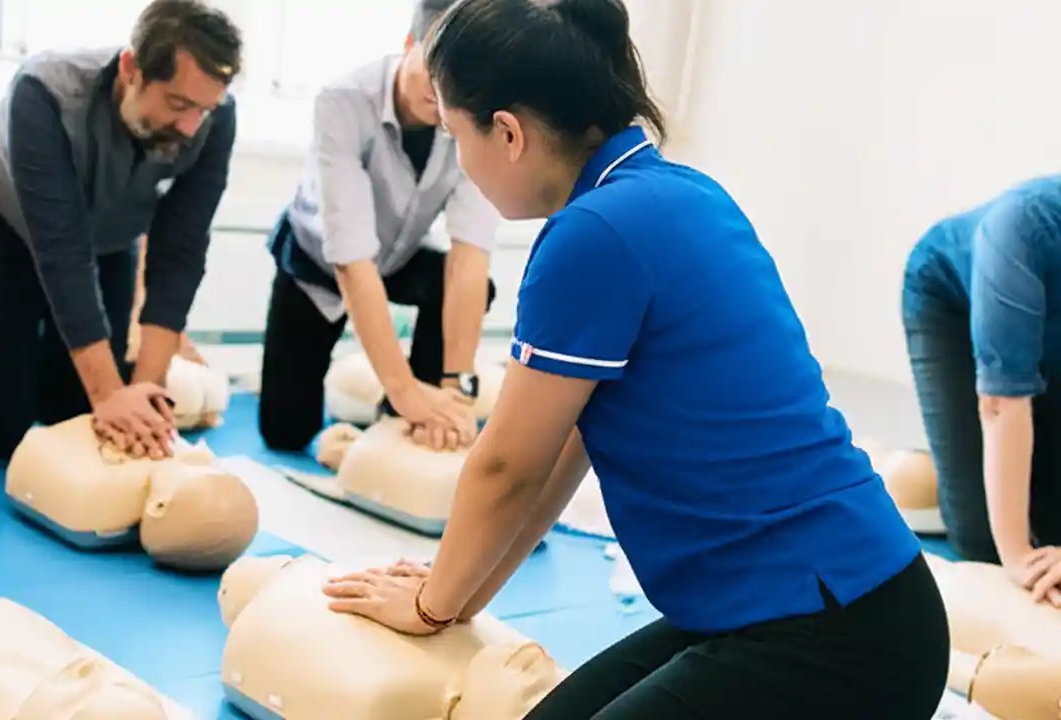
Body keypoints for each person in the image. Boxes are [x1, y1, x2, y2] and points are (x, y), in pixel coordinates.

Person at [321, 1, 950, 718]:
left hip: (836, 630)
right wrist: (455, 600)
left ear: (508, 133)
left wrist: (429, 606)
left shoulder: (592, 234)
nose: (460, 161)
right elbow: (560, 449)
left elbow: (506, 468)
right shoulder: (679, 193)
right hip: (811, 603)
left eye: (457, 135)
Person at [0, 0, 241, 461]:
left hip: (108, 238)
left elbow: (181, 251)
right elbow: (62, 250)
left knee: (75, 410)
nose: (190, 126)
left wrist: (146, 395)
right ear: (131, 69)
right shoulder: (44, 91)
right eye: (178, 104)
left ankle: (15, 360)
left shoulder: (213, 119)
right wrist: (110, 394)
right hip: (1, 224)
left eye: (204, 109)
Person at [260, 0, 500, 453]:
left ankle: (411, 414)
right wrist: (403, 389)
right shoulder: (343, 101)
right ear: (408, 44)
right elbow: (352, 261)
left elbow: (470, 257)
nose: (442, 90)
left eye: (458, 78)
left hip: (400, 255)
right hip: (318, 263)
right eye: (433, 68)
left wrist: (457, 389)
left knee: (468, 285)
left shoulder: (474, 116)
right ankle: (404, 399)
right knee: (285, 434)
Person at [902, 175, 1061, 601]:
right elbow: (1002, 404)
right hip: (949, 300)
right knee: (985, 545)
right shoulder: (1021, 228)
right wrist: (1018, 558)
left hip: (1049, 324)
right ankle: (925, 467)